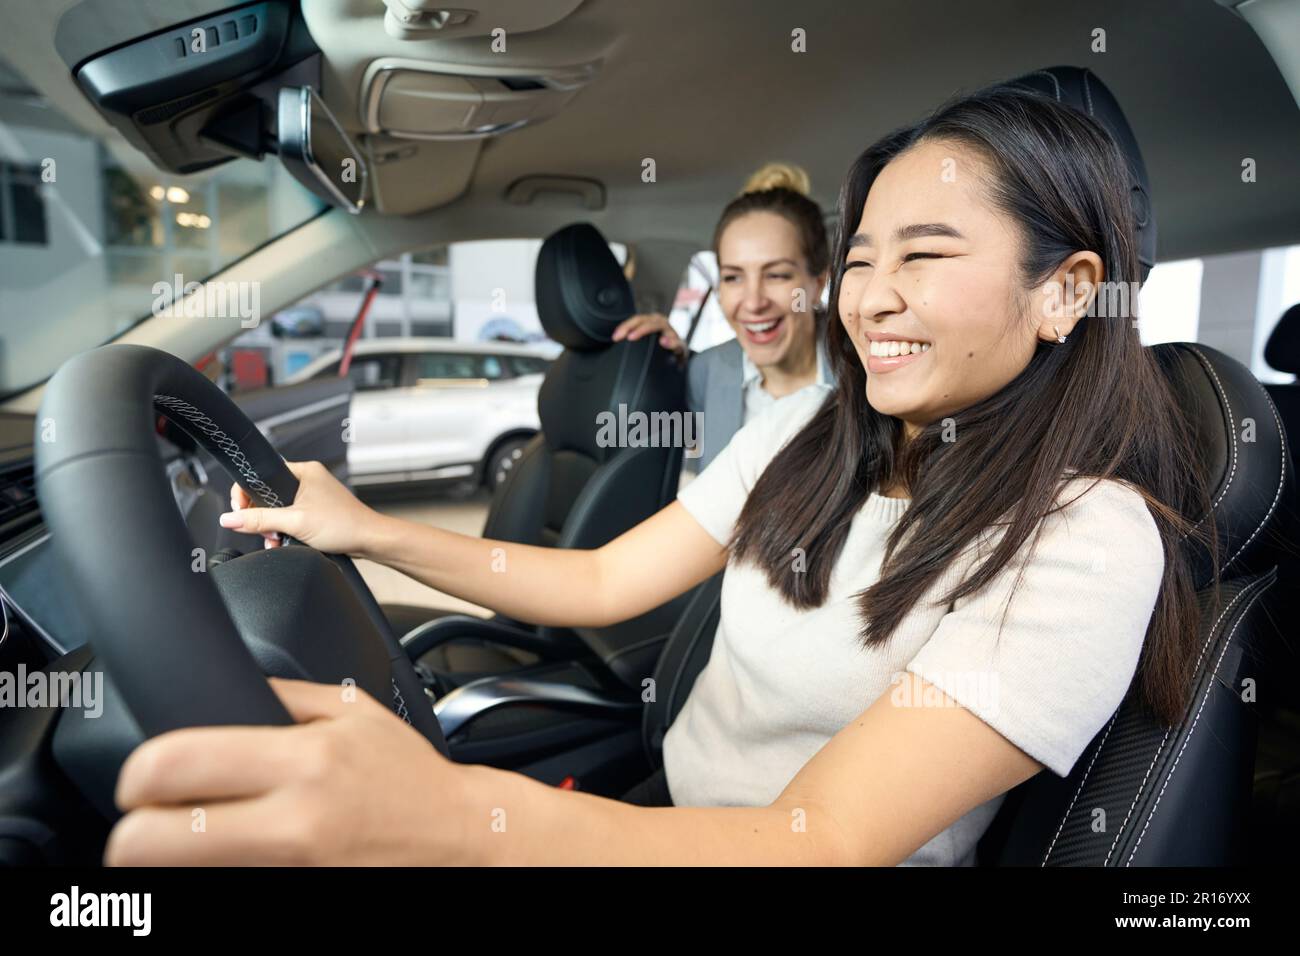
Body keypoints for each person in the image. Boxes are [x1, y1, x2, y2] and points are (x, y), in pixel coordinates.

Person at [105, 86, 1216, 866]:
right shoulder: (819, 435)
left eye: (923, 255)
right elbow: (595, 585)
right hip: (653, 810)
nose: (871, 297)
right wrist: (366, 529)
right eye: (864, 258)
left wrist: (458, 819)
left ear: (1067, 292)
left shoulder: (1084, 537)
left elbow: (819, 841)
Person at [613, 163, 834, 470]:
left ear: (818, 283)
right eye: (733, 277)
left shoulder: (863, 374)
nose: (754, 302)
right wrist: (658, 355)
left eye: (777, 275)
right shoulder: (707, 371)